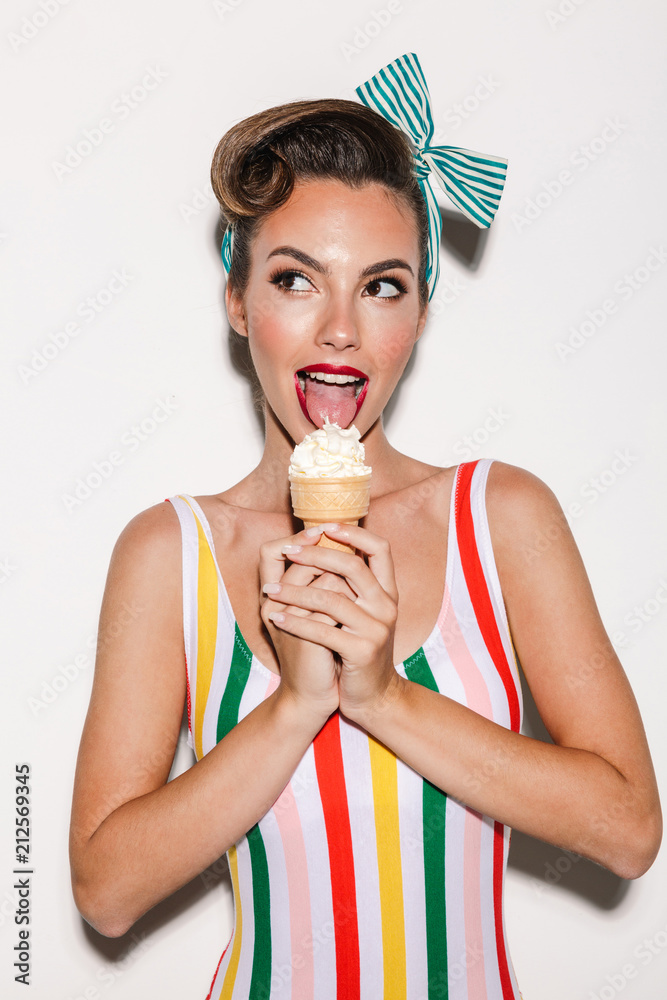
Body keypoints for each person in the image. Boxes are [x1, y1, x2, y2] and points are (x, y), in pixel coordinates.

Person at [69, 52, 661, 999]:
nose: (339, 329)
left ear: (420, 311)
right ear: (239, 299)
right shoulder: (170, 550)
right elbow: (105, 889)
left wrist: (381, 694)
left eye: (382, 285)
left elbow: (628, 828)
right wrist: (296, 707)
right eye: (297, 280)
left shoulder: (501, 516)